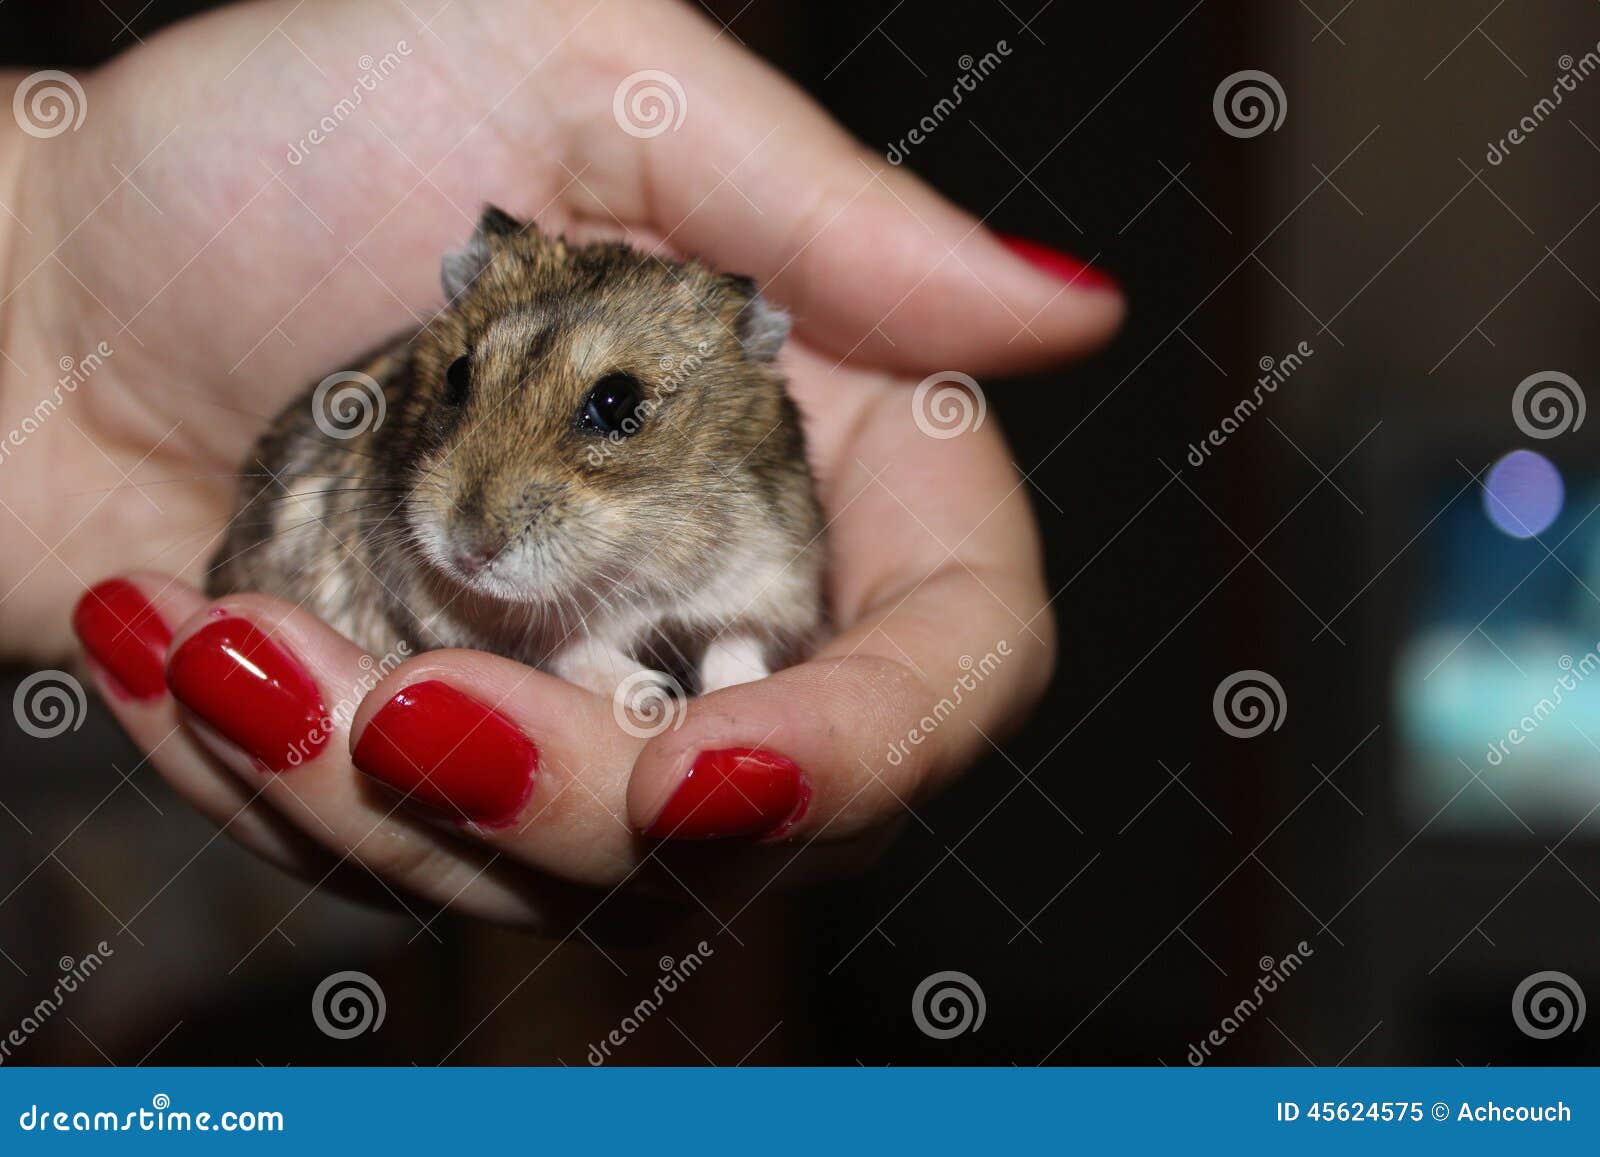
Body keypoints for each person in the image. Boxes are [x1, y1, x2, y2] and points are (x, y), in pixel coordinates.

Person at [0, 0, 1121, 926]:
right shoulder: (415, 469)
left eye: (613, 406)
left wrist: (735, 671)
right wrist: (35, 234)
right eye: (466, 389)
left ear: (741, 374)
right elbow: (446, 555)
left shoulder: (755, 467)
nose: (475, 517)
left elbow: (766, 602)